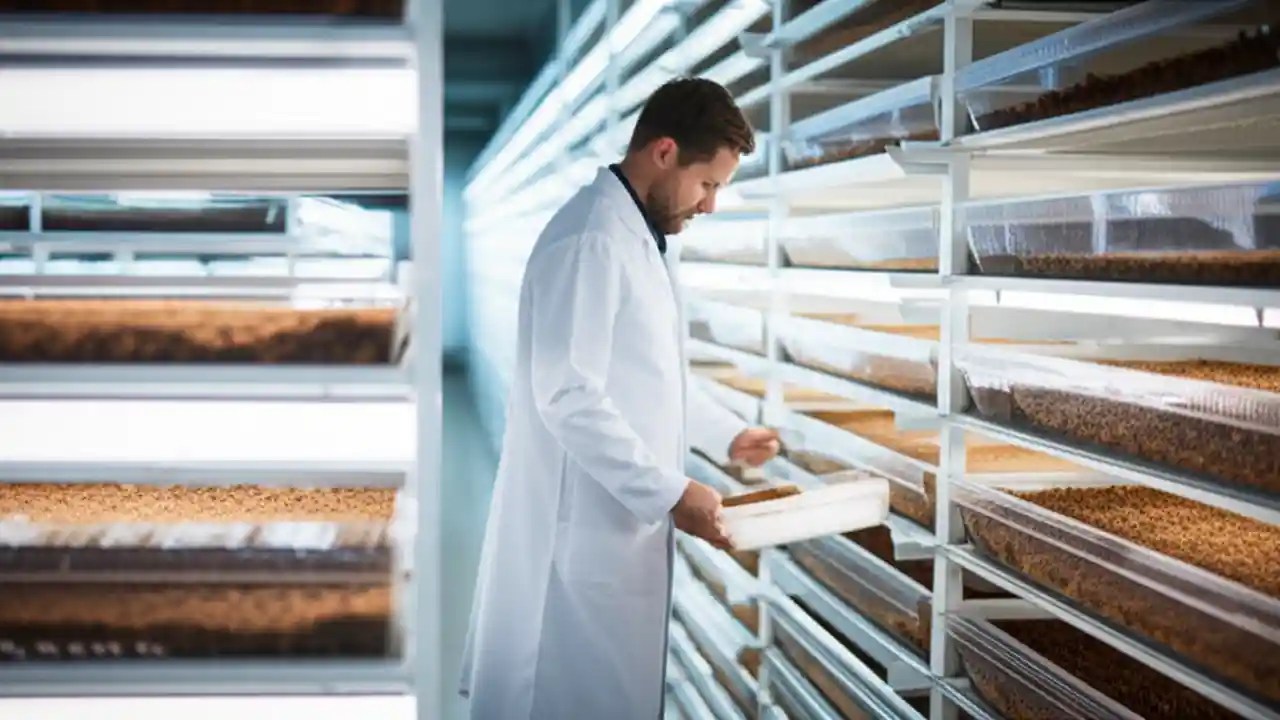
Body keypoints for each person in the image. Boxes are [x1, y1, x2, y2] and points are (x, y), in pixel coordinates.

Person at [459, 78, 780, 720]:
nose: (710, 205)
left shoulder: (637, 233)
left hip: (610, 534)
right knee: (563, 695)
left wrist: (722, 434)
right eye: (708, 184)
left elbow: (640, 374)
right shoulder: (593, 239)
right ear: (664, 153)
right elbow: (569, 393)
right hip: (575, 547)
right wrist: (669, 493)